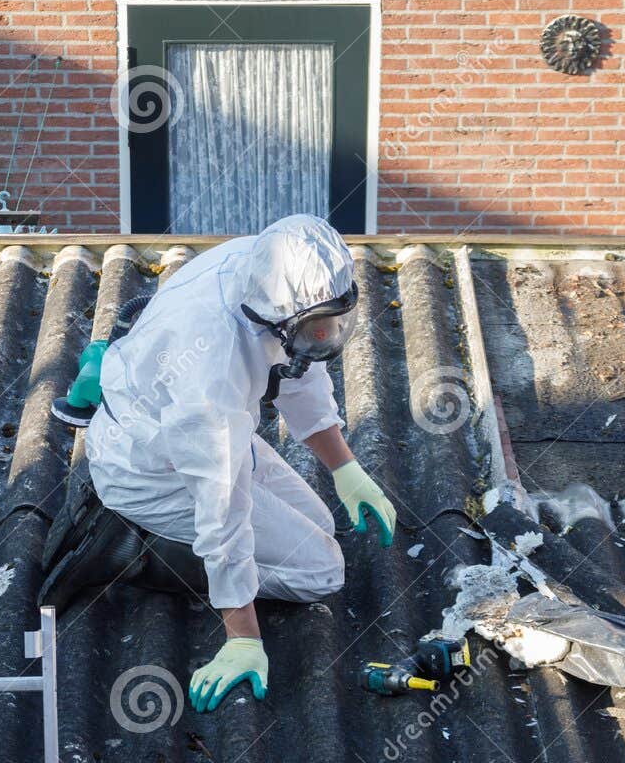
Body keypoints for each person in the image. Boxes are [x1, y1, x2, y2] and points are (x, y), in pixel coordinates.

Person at [39, 214, 396, 713]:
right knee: (321, 572)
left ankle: (187, 550)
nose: (328, 335)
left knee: (319, 527)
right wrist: (243, 638)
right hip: (149, 471)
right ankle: (136, 546)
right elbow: (221, 505)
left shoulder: (270, 269)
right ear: (280, 316)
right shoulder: (209, 374)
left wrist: (346, 469)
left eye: (334, 321)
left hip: (205, 433)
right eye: (316, 327)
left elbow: (297, 367)